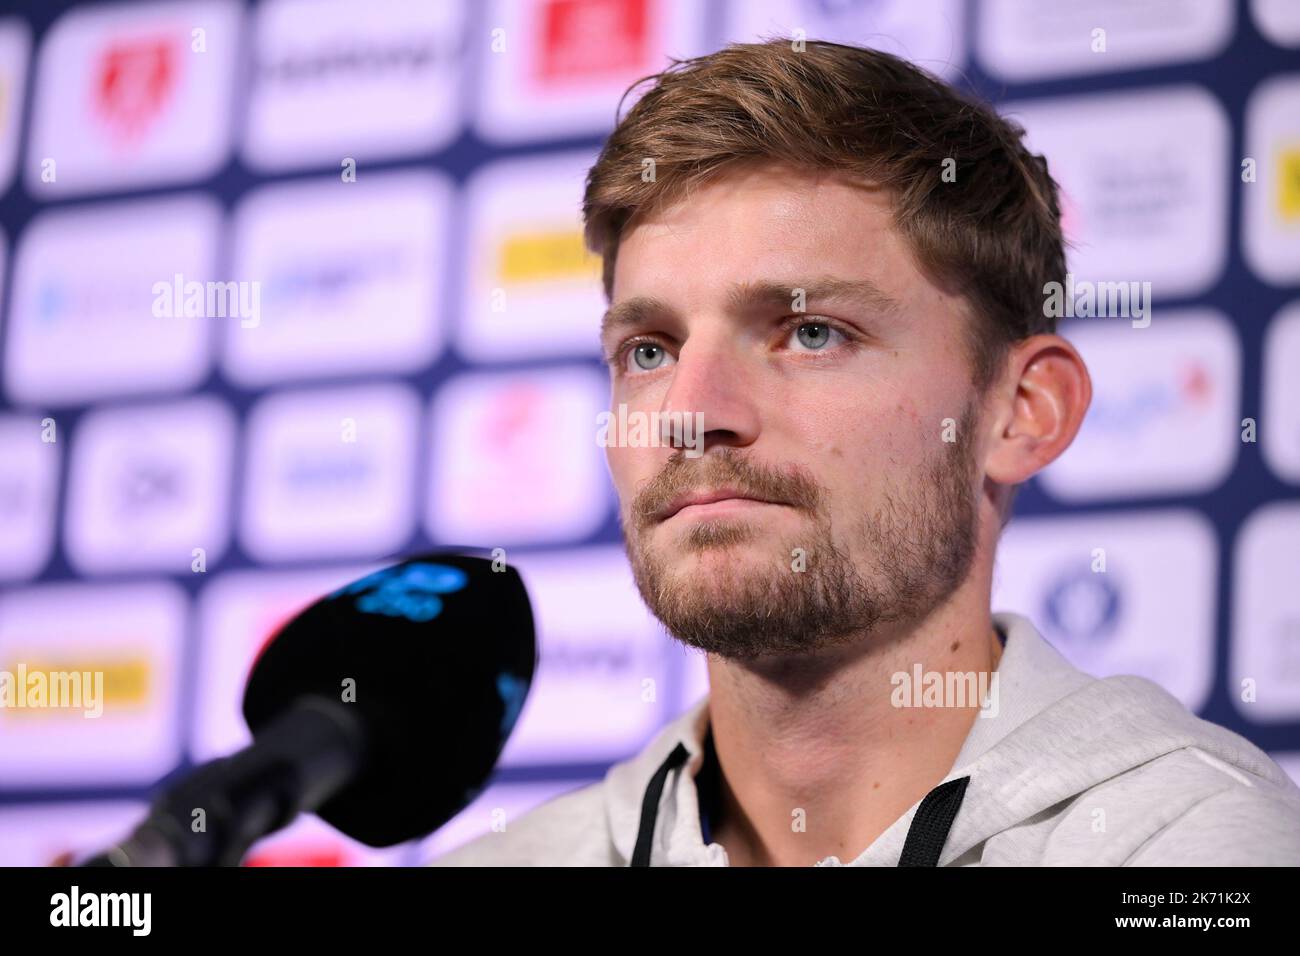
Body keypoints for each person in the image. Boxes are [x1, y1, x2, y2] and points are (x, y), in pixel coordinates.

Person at [432, 39, 1300, 866]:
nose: (690, 414)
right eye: (649, 351)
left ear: (1023, 412)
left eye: (810, 332)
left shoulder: (1193, 855)